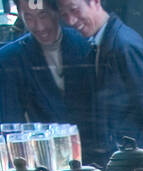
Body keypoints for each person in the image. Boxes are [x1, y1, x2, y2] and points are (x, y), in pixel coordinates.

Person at [56, 0, 143, 161]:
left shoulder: (124, 45)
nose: (71, 21)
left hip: (138, 161)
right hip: (125, 159)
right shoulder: (103, 43)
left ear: (95, 2)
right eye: (64, 15)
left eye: (75, 10)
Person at [0, 0, 93, 143]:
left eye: (43, 15)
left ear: (57, 11)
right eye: (29, 17)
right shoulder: (9, 60)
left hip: (96, 155)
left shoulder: (87, 46)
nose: (40, 27)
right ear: (20, 15)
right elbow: (11, 127)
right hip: (43, 157)